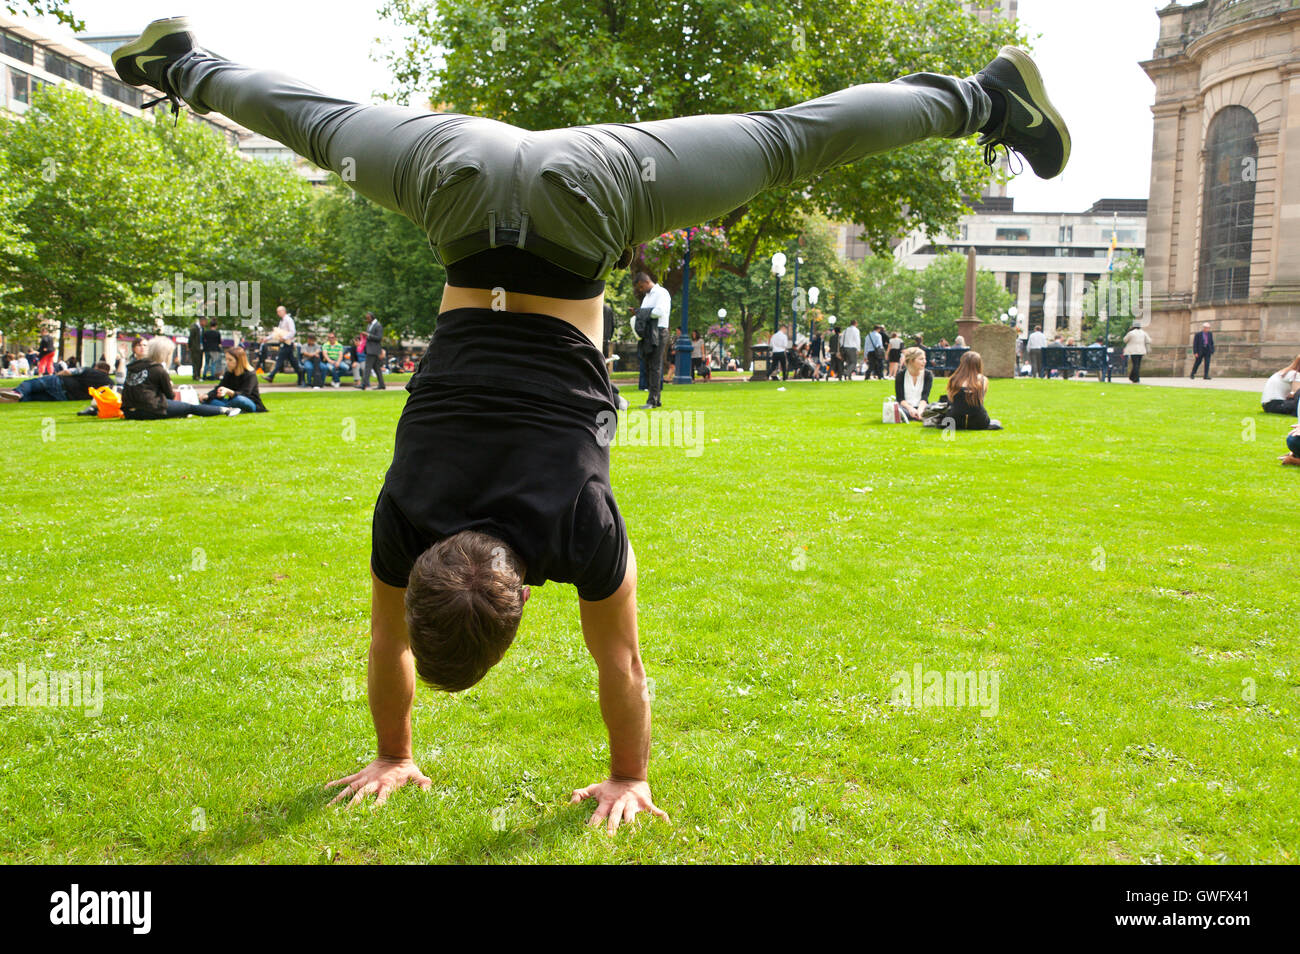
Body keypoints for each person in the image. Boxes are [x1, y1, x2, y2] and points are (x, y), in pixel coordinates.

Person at [112, 16, 1068, 824]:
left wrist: (630, 775)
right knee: (313, 124)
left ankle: (984, 98)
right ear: (422, 579)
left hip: (591, 200)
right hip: (461, 174)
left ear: (522, 606)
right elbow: (386, 643)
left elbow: (623, 660)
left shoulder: (578, 526)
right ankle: (182, 63)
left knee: (786, 142)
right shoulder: (403, 516)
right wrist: (393, 749)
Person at [121, 337, 239, 419]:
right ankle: (225, 410)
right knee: (189, 407)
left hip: (129, 411)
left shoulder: (132, 366)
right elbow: (170, 396)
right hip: (149, 409)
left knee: (179, 408)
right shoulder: (158, 369)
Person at [630, 273, 671, 408]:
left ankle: (652, 400)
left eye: (641, 287)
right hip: (648, 333)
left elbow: (659, 311)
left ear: (646, 281)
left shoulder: (661, 293)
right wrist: (638, 312)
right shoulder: (647, 297)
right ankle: (655, 399)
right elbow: (646, 313)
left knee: (655, 365)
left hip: (658, 332)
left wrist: (640, 312)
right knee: (647, 365)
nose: (640, 290)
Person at [0, 360, 113, 404]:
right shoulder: (108, 383)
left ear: (97, 367)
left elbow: (69, 372)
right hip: (66, 397)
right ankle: (10, 400)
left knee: (30, 384)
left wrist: (57, 375)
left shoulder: (89, 370)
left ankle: (17, 393)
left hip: (60, 382)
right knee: (35, 397)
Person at [940, 350, 1001, 430]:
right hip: (979, 420)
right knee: (997, 422)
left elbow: (951, 399)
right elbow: (981, 399)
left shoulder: (954, 379)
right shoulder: (983, 380)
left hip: (955, 420)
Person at [201, 346, 268, 413]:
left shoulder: (250, 374)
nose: (227, 362)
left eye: (230, 360)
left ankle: (222, 409)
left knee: (239, 399)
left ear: (239, 361)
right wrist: (207, 395)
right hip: (232, 402)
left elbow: (245, 394)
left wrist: (229, 392)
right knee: (209, 399)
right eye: (226, 359)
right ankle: (230, 410)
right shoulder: (229, 373)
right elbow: (219, 387)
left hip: (249, 402)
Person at [265, 305, 302, 384]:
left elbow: (293, 332)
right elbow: (276, 333)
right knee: (293, 362)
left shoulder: (289, 320)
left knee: (280, 360)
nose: (278, 313)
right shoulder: (281, 322)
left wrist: (284, 338)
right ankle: (301, 377)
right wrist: (267, 338)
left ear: (284, 311)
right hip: (285, 344)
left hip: (288, 344)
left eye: (279, 311)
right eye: (277, 311)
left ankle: (271, 376)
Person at [894, 346, 933, 422]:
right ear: (911, 361)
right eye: (921, 359)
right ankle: (911, 415)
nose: (925, 361)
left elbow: (925, 397)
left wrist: (920, 410)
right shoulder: (900, 375)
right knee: (897, 410)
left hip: (922, 406)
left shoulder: (928, 375)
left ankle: (916, 415)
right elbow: (900, 398)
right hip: (905, 407)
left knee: (934, 408)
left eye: (924, 359)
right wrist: (910, 409)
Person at [357, 312, 386, 390]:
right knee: (377, 368)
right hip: (370, 349)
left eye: (367, 318)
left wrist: (368, 335)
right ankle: (382, 385)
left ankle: (364, 384)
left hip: (373, 350)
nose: (366, 320)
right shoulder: (370, 325)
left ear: (372, 317)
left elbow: (379, 338)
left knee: (367, 367)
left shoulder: (378, 325)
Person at [202, 316, 223, 381]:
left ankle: (204, 376)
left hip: (207, 349)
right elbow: (219, 342)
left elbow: (203, 341)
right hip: (215, 350)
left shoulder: (206, 332)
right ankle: (212, 376)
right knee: (213, 363)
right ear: (216, 326)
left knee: (207, 363)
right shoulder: (217, 333)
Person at [188, 316, 204, 382]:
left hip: (201, 347)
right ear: (201, 320)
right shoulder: (194, 327)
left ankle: (198, 375)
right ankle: (195, 376)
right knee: (195, 362)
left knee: (200, 362)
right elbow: (191, 338)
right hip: (195, 348)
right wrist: (190, 347)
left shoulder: (202, 328)